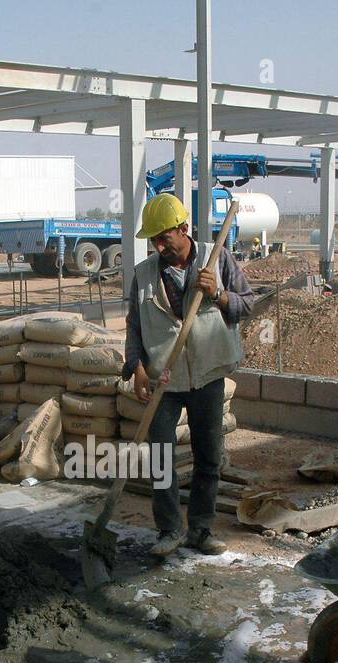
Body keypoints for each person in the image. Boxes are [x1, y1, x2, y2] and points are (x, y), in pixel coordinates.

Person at [124, 193, 255, 558]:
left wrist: (221, 294)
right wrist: (136, 367)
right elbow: (134, 325)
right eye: (154, 240)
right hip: (164, 379)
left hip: (207, 376)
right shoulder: (145, 273)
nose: (159, 245)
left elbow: (248, 304)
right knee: (162, 459)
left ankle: (200, 529)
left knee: (208, 457)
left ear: (184, 229)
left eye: (165, 237)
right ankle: (169, 530)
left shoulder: (219, 259)